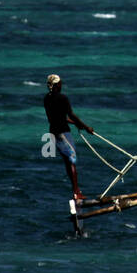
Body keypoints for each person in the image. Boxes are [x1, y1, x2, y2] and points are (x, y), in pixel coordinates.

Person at [43, 74, 93, 202]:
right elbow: (70, 114)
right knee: (72, 160)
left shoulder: (46, 99)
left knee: (67, 161)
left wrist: (76, 124)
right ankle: (77, 193)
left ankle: (76, 192)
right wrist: (86, 127)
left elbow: (55, 117)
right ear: (56, 85)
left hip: (53, 132)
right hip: (63, 133)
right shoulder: (63, 98)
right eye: (60, 83)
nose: (61, 85)